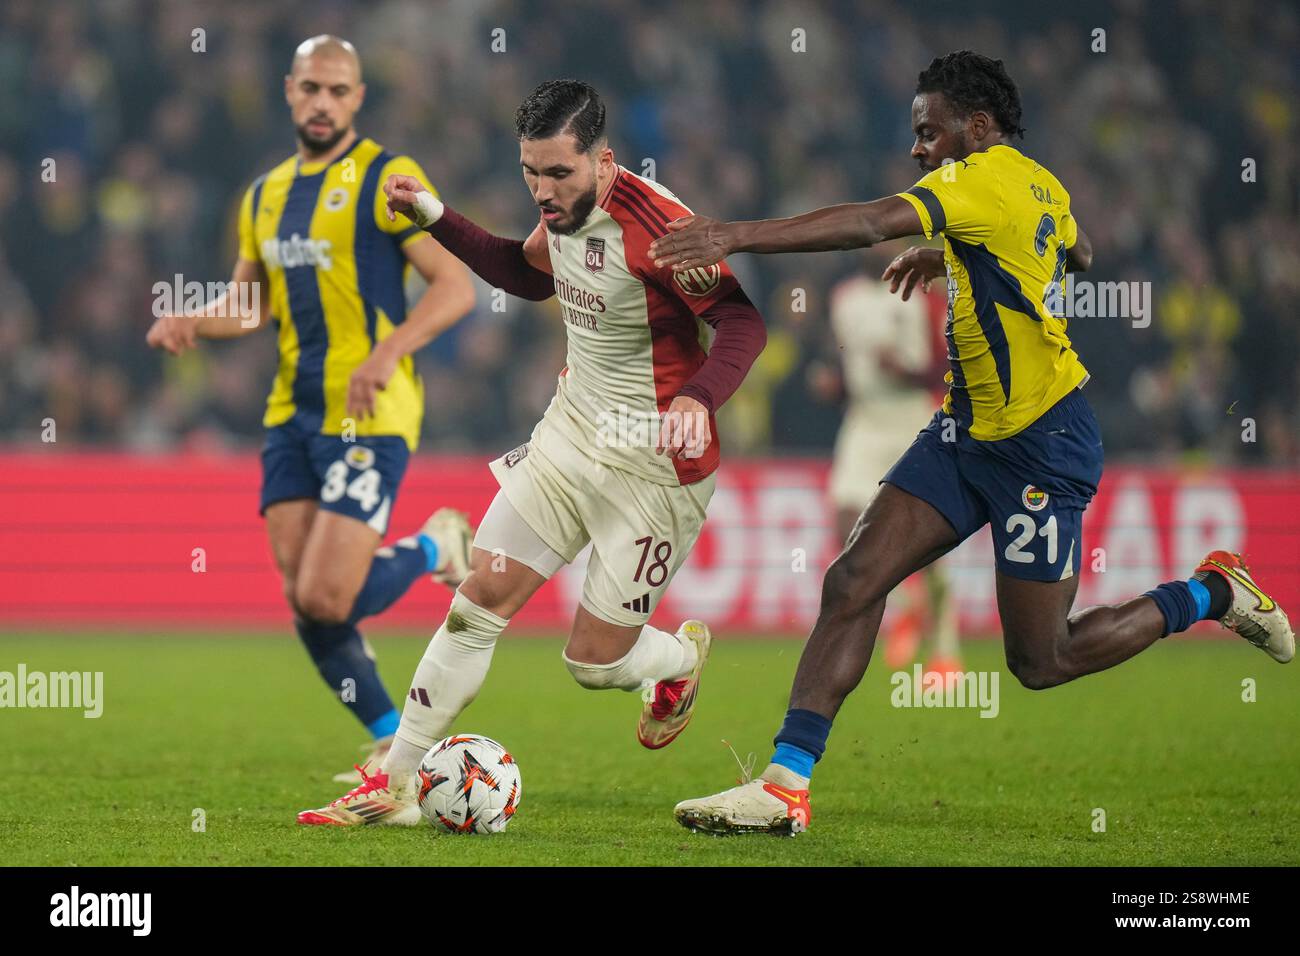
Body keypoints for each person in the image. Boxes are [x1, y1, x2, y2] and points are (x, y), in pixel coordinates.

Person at [649, 51, 1294, 835]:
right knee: (854, 578)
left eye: (930, 133)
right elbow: (1079, 253)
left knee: (1040, 661)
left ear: (976, 129)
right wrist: (956, 249)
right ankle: (784, 787)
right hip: (965, 432)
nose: (920, 150)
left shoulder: (978, 179)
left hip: (1040, 443)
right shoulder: (1039, 182)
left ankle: (1213, 593)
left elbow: (865, 222)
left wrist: (731, 234)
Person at [297, 79, 768, 826]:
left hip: (655, 469)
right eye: (531, 173)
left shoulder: (661, 227)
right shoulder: (562, 211)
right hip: (569, 436)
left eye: (559, 174)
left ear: (604, 161)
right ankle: (394, 779)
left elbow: (742, 324)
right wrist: (434, 216)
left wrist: (698, 399)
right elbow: (525, 272)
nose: (543, 191)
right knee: (476, 600)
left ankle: (677, 661)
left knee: (593, 662)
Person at [145, 36, 477, 782]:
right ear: (289, 91)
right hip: (293, 415)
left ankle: (436, 549)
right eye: (311, 89)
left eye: (338, 90)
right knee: (307, 601)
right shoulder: (264, 195)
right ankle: (394, 739)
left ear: (357, 98)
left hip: (374, 412)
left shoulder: (389, 176)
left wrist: (389, 352)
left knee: (328, 592)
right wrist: (195, 319)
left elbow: (455, 287)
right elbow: (252, 301)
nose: (323, 102)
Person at [827, 252, 960, 676]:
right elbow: (853, 363)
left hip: (913, 416)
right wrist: (835, 385)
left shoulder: (927, 297)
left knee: (931, 538)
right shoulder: (844, 298)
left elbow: (948, 366)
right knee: (845, 522)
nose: (874, 246)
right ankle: (907, 603)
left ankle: (945, 655)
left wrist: (906, 371)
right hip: (865, 419)